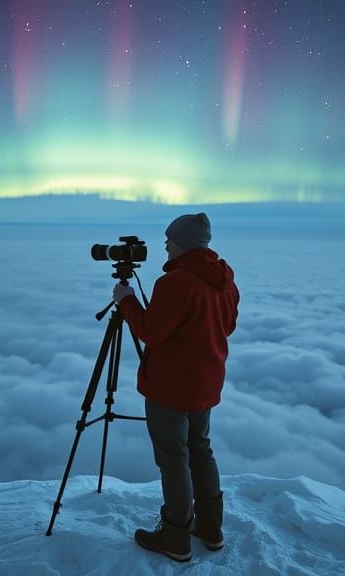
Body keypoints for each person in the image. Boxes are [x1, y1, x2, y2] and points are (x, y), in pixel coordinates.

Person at [112, 212, 240, 562]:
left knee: (173, 460)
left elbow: (150, 332)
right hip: (206, 383)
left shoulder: (175, 283)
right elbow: (225, 327)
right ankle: (210, 529)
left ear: (182, 242)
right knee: (201, 449)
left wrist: (125, 300)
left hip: (170, 387)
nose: (165, 244)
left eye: (169, 239)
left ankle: (175, 539)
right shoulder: (225, 281)